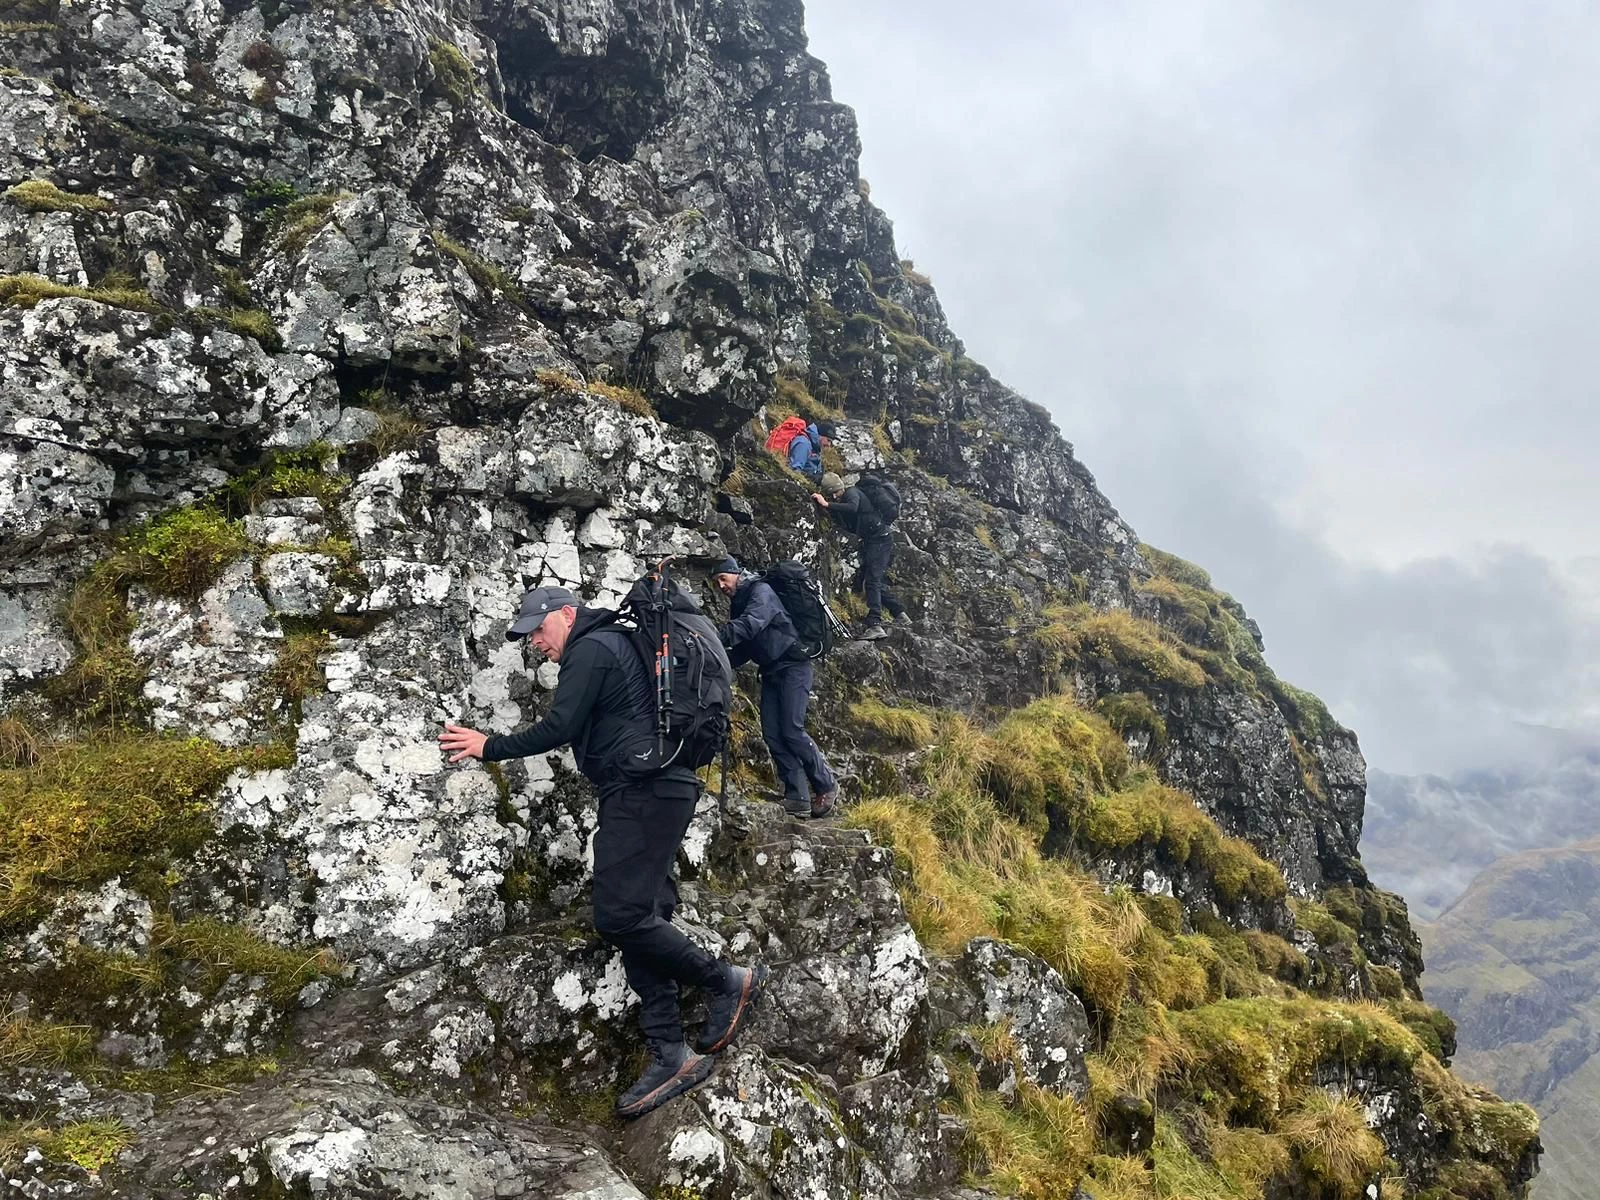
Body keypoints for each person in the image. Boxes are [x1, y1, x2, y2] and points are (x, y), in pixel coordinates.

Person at [438, 585, 767, 1119]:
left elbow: (560, 726)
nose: (536, 644)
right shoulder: (619, 643)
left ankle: (724, 981)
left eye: (539, 631)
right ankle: (670, 1052)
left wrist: (487, 747)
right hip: (657, 786)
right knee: (645, 914)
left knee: (618, 915)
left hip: (644, 789)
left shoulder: (593, 647)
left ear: (566, 615)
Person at [711, 556, 838, 820]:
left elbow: (751, 624)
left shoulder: (761, 591)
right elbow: (746, 645)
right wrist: (718, 661)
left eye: (723, 578)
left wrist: (712, 637)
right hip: (771, 670)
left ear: (735, 573)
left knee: (792, 730)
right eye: (717, 583)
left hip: (794, 666)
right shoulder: (740, 602)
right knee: (773, 734)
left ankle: (826, 785)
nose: (721, 586)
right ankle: (798, 797)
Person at [811, 471, 909, 640]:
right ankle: (899, 613)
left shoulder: (852, 493)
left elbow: (853, 507)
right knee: (872, 581)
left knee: (872, 581)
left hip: (880, 541)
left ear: (833, 491)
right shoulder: (847, 497)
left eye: (831, 493)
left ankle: (875, 624)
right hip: (875, 540)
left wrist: (827, 504)